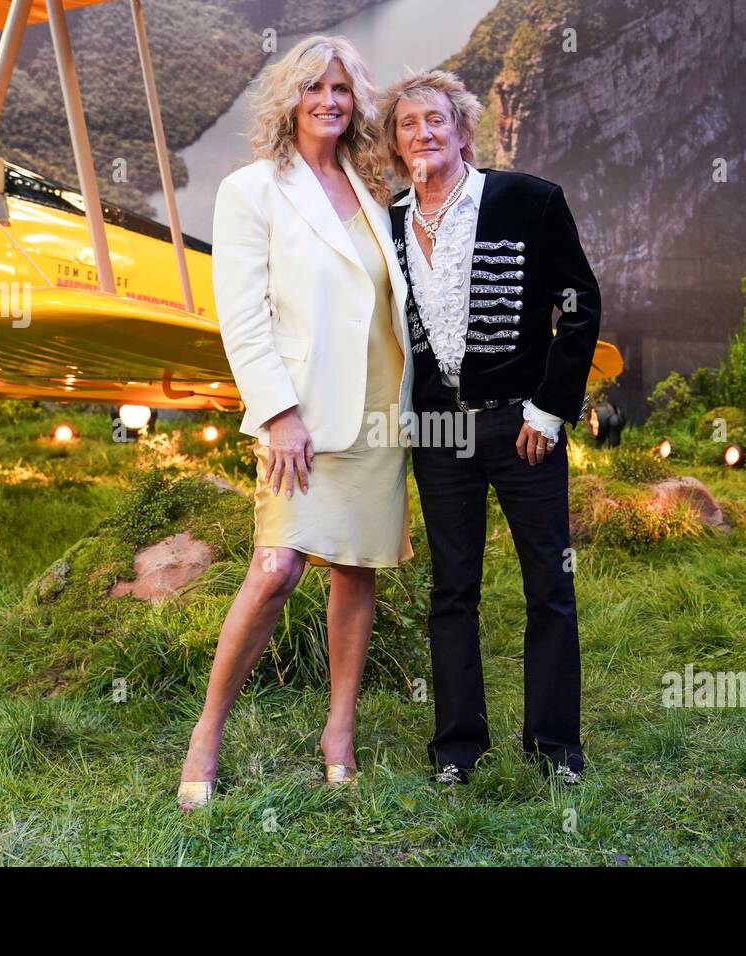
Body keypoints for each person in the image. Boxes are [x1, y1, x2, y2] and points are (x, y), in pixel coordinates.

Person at [177, 36, 413, 810]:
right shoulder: (252, 189)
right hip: (302, 414)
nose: (330, 100)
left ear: (356, 101)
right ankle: (207, 731)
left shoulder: (371, 186)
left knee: (357, 568)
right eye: (314, 86)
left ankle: (338, 732)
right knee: (276, 566)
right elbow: (242, 316)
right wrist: (278, 413)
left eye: (342, 88)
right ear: (290, 97)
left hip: (381, 408)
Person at [380, 70, 601, 785]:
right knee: (452, 591)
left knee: (549, 585)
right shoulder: (387, 222)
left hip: (522, 424)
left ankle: (555, 749)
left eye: (436, 120)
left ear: (463, 128)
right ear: (395, 140)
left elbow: (580, 305)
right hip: (439, 434)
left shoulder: (530, 200)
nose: (424, 134)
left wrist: (549, 407)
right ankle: (456, 749)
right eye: (408, 124)